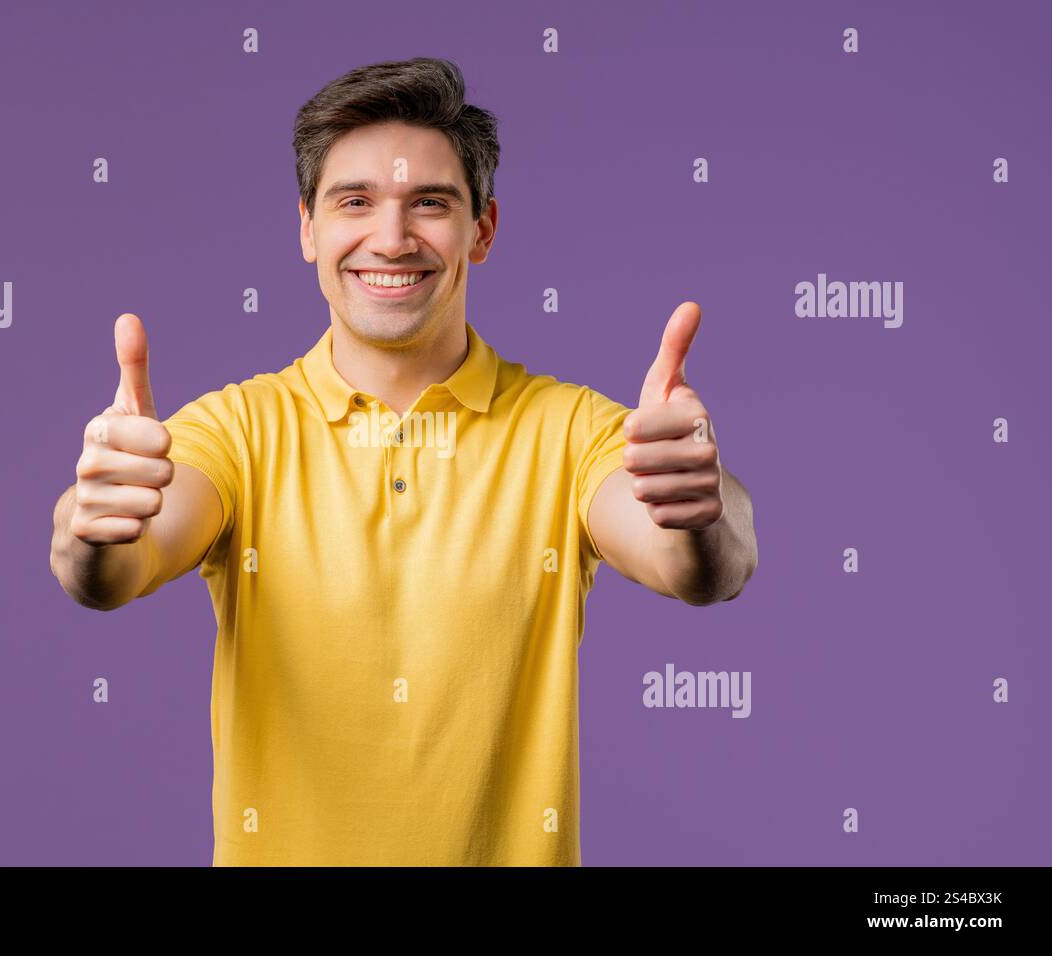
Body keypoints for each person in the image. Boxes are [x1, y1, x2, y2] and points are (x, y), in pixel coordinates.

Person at [49, 57, 758, 866]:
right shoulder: (238, 430)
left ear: (482, 230)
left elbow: (702, 567)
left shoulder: (567, 431)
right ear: (309, 229)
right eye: (355, 202)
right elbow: (110, 570)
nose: (391, 238)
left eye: (430, 203)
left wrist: (702, 504)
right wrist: (92, 526)